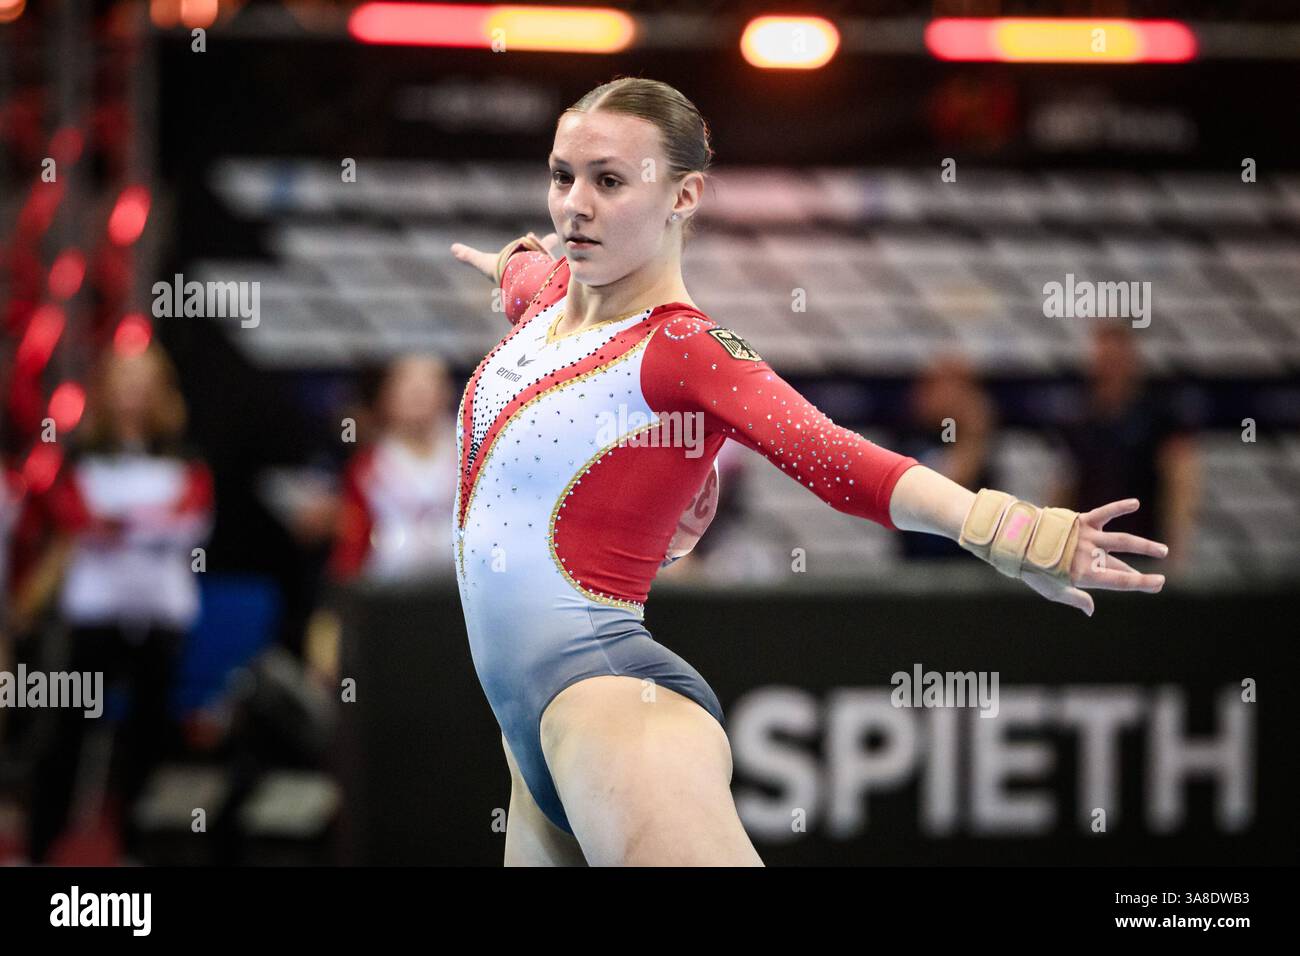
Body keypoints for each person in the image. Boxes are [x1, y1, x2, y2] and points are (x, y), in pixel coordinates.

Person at [449, 77, 1167, 867]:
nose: (574, 206)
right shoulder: (550, 299)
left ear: (683, 196)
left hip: (613, 707)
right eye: (562, 176)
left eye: (610, 181)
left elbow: (836, 459)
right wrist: (509, 265)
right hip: (530, 738)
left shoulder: (687, 350)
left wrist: (1010, 531)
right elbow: (531, 279)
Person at [21, 344, 213, 863]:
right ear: (105, 388)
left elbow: (192, 515)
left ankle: (141, 847)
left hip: (161, 611)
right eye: (123, 381)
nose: (132, 393)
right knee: (67, 730)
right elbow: (76, 516)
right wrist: (145, 522)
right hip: (95, 611)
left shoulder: (184, 453)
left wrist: (128, 522)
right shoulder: (82, 454)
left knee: (150, 733)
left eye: (142, 381)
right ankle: (40, 847)